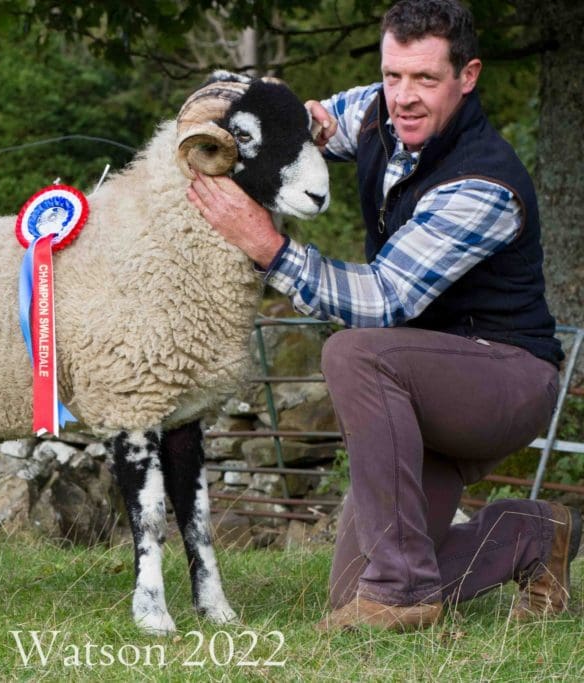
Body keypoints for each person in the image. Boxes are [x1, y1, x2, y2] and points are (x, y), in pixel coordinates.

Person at [187, 0, 581, 631]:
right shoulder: (380, 110)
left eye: (426, 79)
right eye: (394, 74)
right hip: (420, 380)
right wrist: (271, 120)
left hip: (503, 380)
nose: (404, 96)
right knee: (350, 592)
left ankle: (400, 591)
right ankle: (530, 535)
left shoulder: (483, 185)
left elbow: (383, 300)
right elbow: (318, 120)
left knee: (354, 350)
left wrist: (268, 246)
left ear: (468, 76)